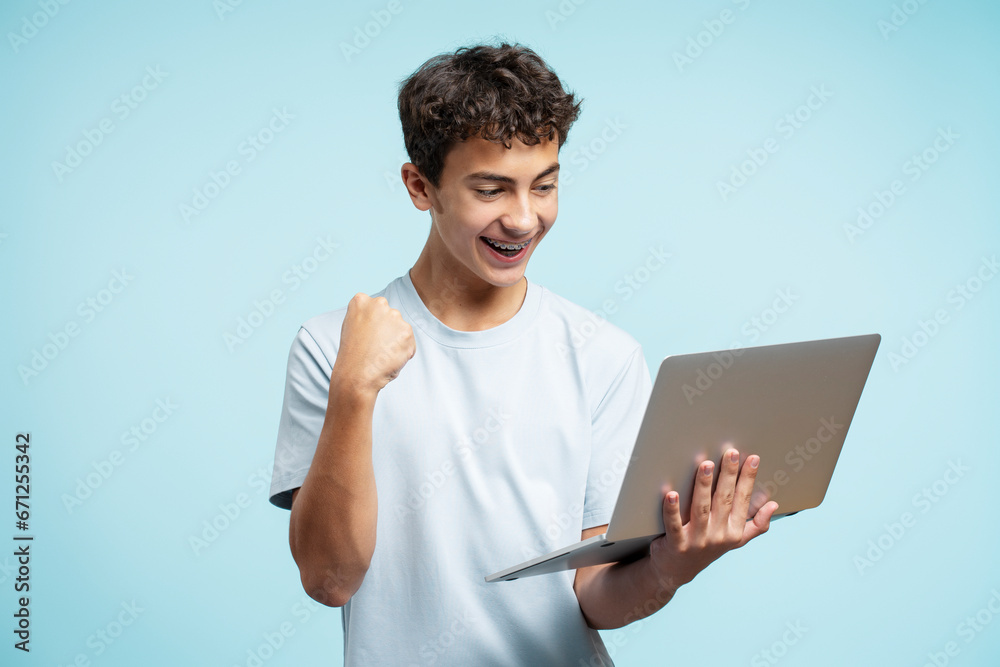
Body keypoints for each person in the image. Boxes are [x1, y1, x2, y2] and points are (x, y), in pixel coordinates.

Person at [268, 41, 778, 665]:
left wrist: (672, 567)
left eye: (544, 185)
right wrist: (354, 391)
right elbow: (329, 580)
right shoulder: (332, 347)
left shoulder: (604, 356)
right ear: (419, 186)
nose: (524, 219)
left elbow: (594, 597)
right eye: (491, 189)